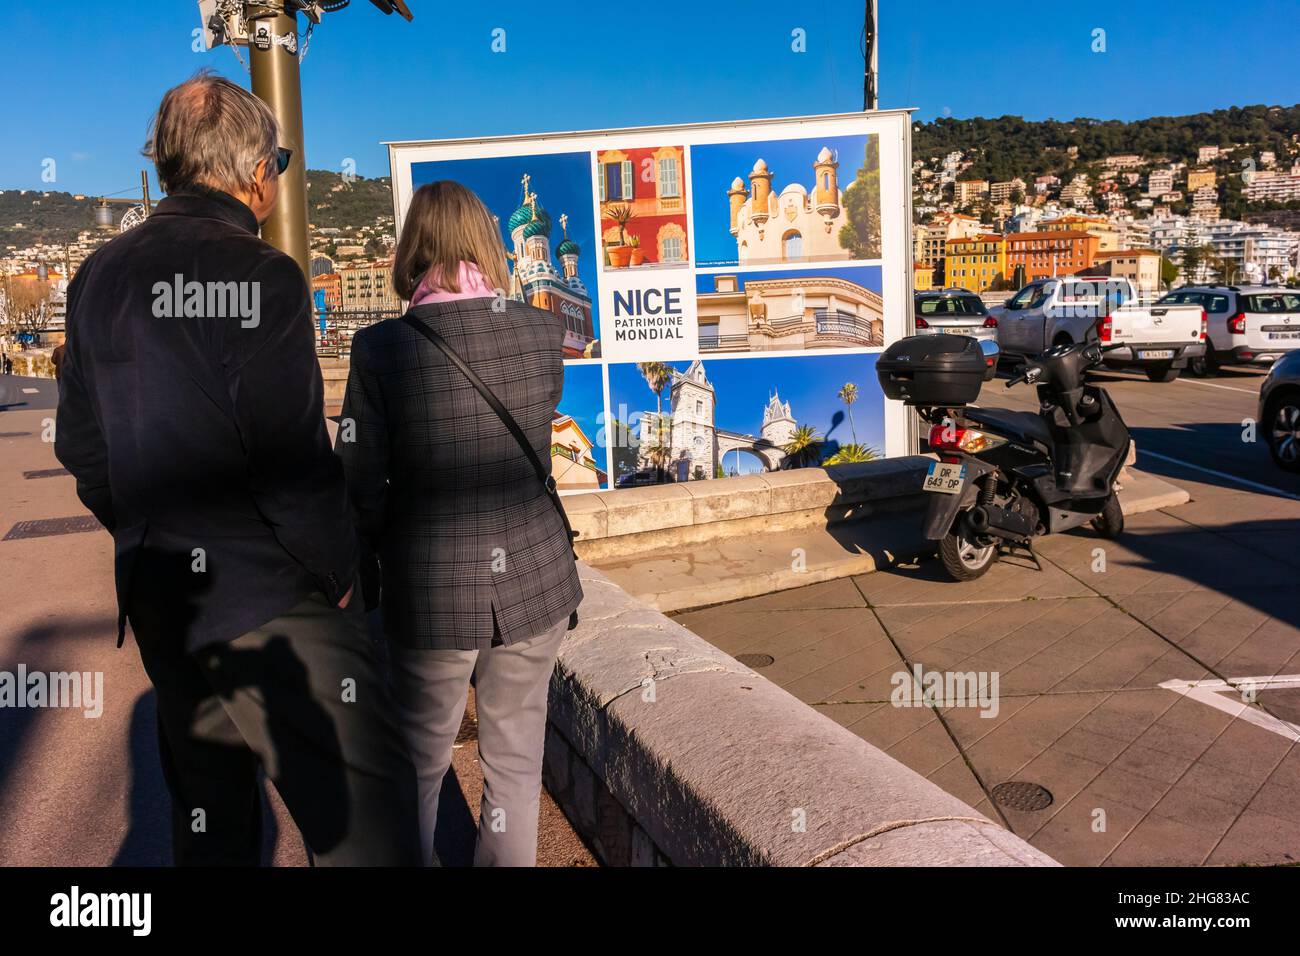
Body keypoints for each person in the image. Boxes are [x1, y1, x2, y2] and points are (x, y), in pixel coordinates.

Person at [55, 71, 421, 866]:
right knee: (371, 829)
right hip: (269, 597)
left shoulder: (94, 278)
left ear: (166, 165)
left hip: (163, 605)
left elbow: (80, 448)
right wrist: (342, 577)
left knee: (212, 832)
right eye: (279, 163)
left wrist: (147, 531)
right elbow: (291, 460)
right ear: (257, 172)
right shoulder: (262, 275)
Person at [337, 180, 583, 866]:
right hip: (536, 582)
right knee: (514, 760)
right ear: (487, 243)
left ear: (414, 248)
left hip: (430, 592)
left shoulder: (380, 349)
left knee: (414, 765)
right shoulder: (541, 331)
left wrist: (360, 577)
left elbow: (354, 480)